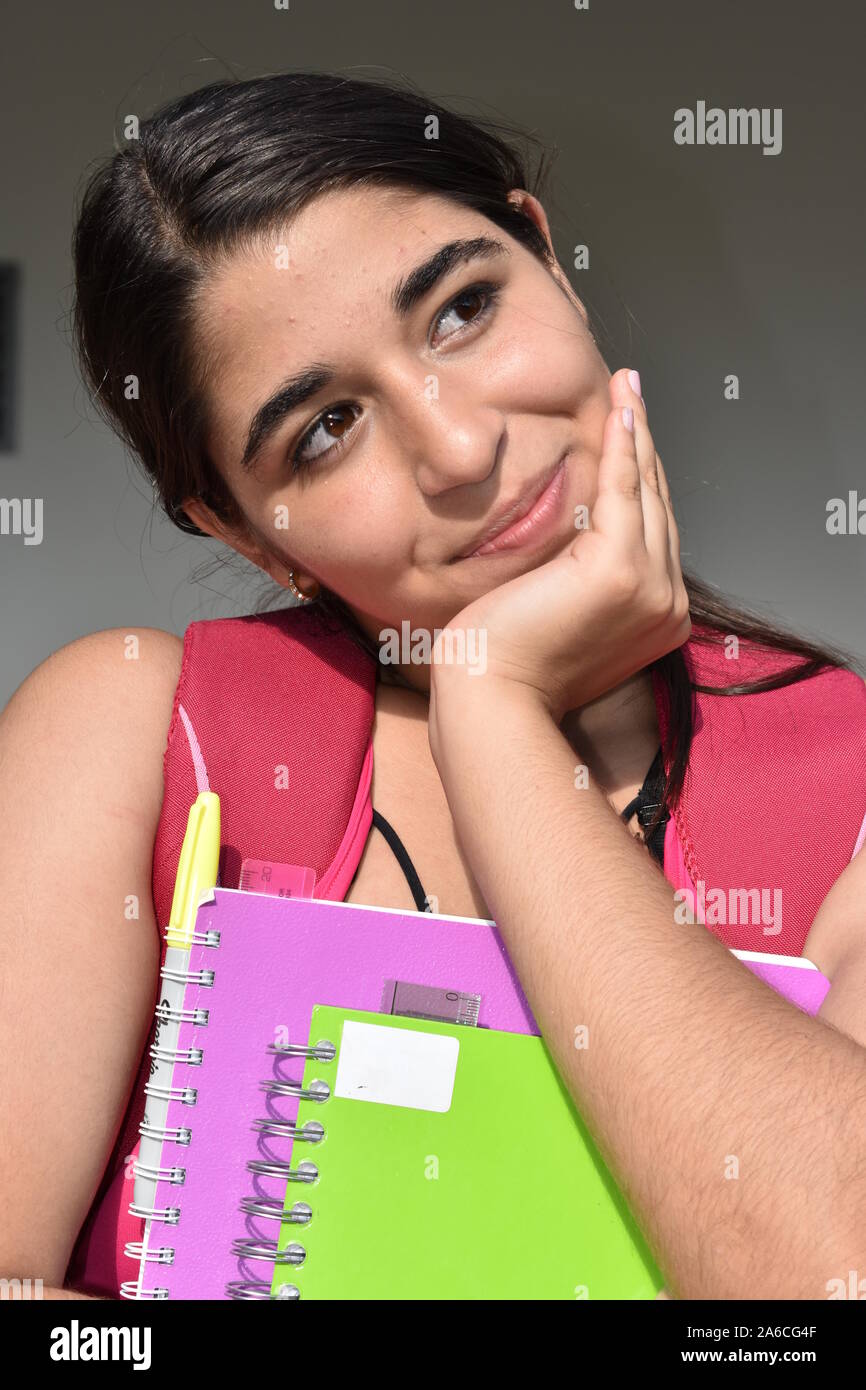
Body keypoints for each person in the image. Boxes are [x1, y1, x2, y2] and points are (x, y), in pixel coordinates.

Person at [2, 71, 865, 1302]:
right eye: (324, 429)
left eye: (461, 309)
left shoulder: (849, 789)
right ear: (249, 535)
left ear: (546, 257)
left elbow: (824, 1275)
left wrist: (495, 707)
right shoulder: (142, 738)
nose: (459, 450)